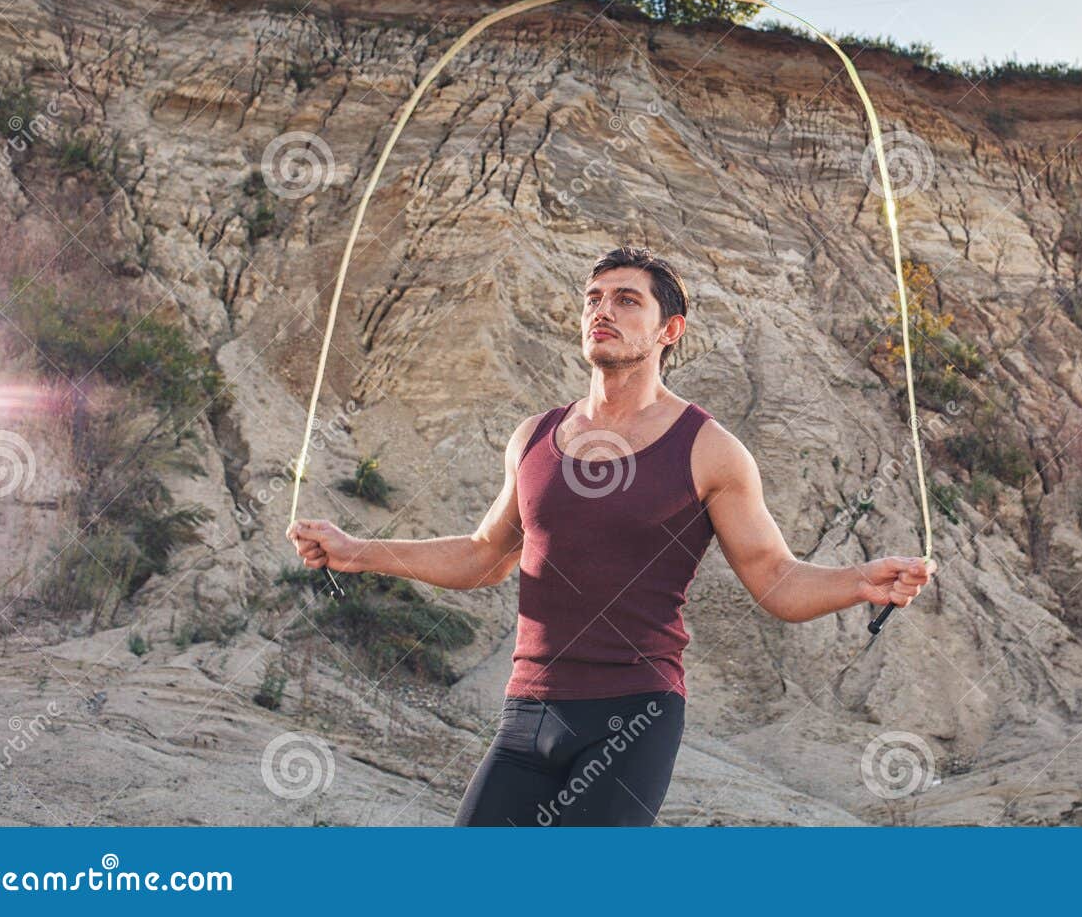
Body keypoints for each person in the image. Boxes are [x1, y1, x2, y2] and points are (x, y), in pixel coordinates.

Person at [287, 244, 936, 826]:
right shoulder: (534, 437)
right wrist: (358, 550)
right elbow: (486, 554)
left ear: (668, 330)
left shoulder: (710, 450)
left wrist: (859, 580)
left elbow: (775, 577)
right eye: (594, 298)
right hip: (527, 712)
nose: (604, 310)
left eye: (628, 300)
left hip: (633, 715)